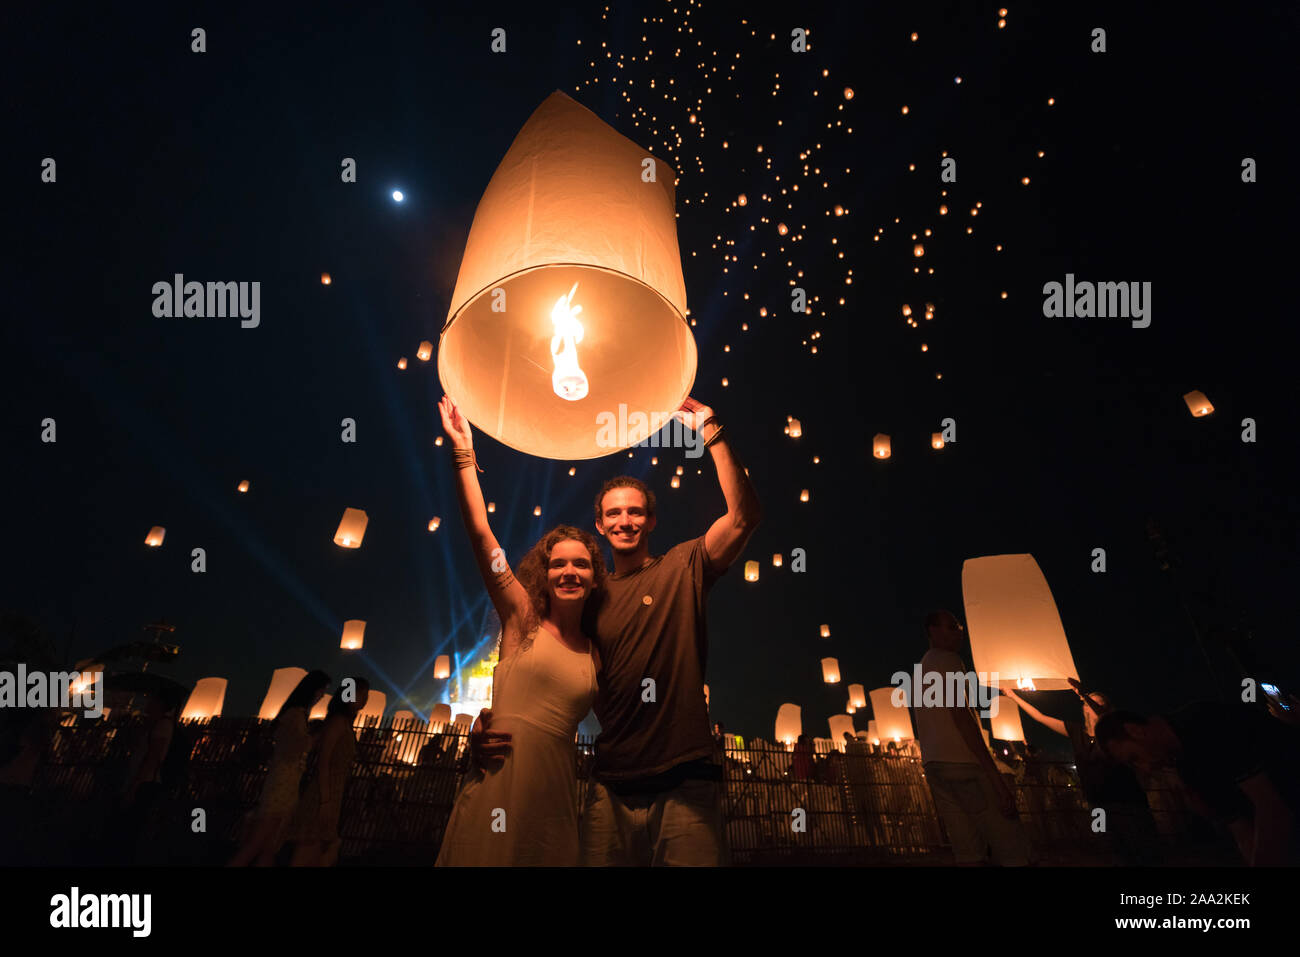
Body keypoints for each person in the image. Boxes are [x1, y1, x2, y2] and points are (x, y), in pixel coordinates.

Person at [474, 395, 761, 866]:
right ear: (600, 525)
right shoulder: (586, 599)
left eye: (634, 512)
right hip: (611, 782)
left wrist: (713, 431)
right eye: (613, 514)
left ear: (650, 519)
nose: (624, 520)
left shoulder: (684, 565)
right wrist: (494, 719)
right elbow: (540, 661)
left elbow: (744, 517)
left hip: (686, 779)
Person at [434, 395, 605, 866]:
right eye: (559, 564)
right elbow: (479, 531)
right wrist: (464, 453)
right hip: (497, 784)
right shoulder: (521, 616)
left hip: (553, 801)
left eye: (582, 564)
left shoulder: (596, 652)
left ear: (595, 576)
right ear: (544, 573)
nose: (569, 572)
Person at [1095, 702, 1300, 865]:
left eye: (1134, 758)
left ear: (1135, 730)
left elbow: (1273, 811)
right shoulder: (1186, 768)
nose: (1145, 769)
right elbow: (1241, 829)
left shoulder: (1208, 723)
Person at [913, 610, 1028, 866]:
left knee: (967, 851)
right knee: (1009, 843)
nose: (960, 632)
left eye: (959, 626)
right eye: (953, 626)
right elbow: (962, 717)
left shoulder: (922, 667)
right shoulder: (948, 659)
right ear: (933, 631)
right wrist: (995, 778)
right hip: (963, 763)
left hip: (934, 765)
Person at [1003, 680, 1161, 865]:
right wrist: (1013, 696)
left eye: (1092, 701)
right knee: (1109, 845)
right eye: (1086, 702)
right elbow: (1040, 717)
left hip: (1126, 803)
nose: (1086, 704)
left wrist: (1083, 693)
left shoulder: (1113, 730)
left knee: (1141, 850)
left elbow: (1105, 715)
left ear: (1104, 706)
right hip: (1098, 804)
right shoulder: (1077, 731)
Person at [228, 669, 330, 866]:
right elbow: (300, 746)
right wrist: (319, 735)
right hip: (282, 785)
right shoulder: (295, 715)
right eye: (321, 690)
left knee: (269, 849)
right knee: (256, 845)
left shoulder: (294, 714)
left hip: (285, 784)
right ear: (311, 690)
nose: (322, 695)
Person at [286, 678, 369, 867]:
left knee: (318, 855)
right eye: (361, 694)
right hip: (323, 795)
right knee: (310, 854)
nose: (365, 699)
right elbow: (323, 761)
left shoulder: (345, 724)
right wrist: (325, 801)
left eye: (367, 695)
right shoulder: (338, 722)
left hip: (333, 795)